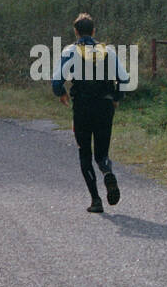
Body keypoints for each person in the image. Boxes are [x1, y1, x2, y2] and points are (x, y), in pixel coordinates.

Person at [52, 12, 127, 213]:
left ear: (75, 32)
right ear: (94, 31)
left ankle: (96, 200)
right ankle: (107, 171)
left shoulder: (71, 50)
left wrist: (61, 94)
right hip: (105, 107)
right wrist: (117, 99)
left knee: (84, 153)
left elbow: (57, 80)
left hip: (82, 108)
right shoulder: (108, 51)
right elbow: (124, 79)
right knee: (101, 154)